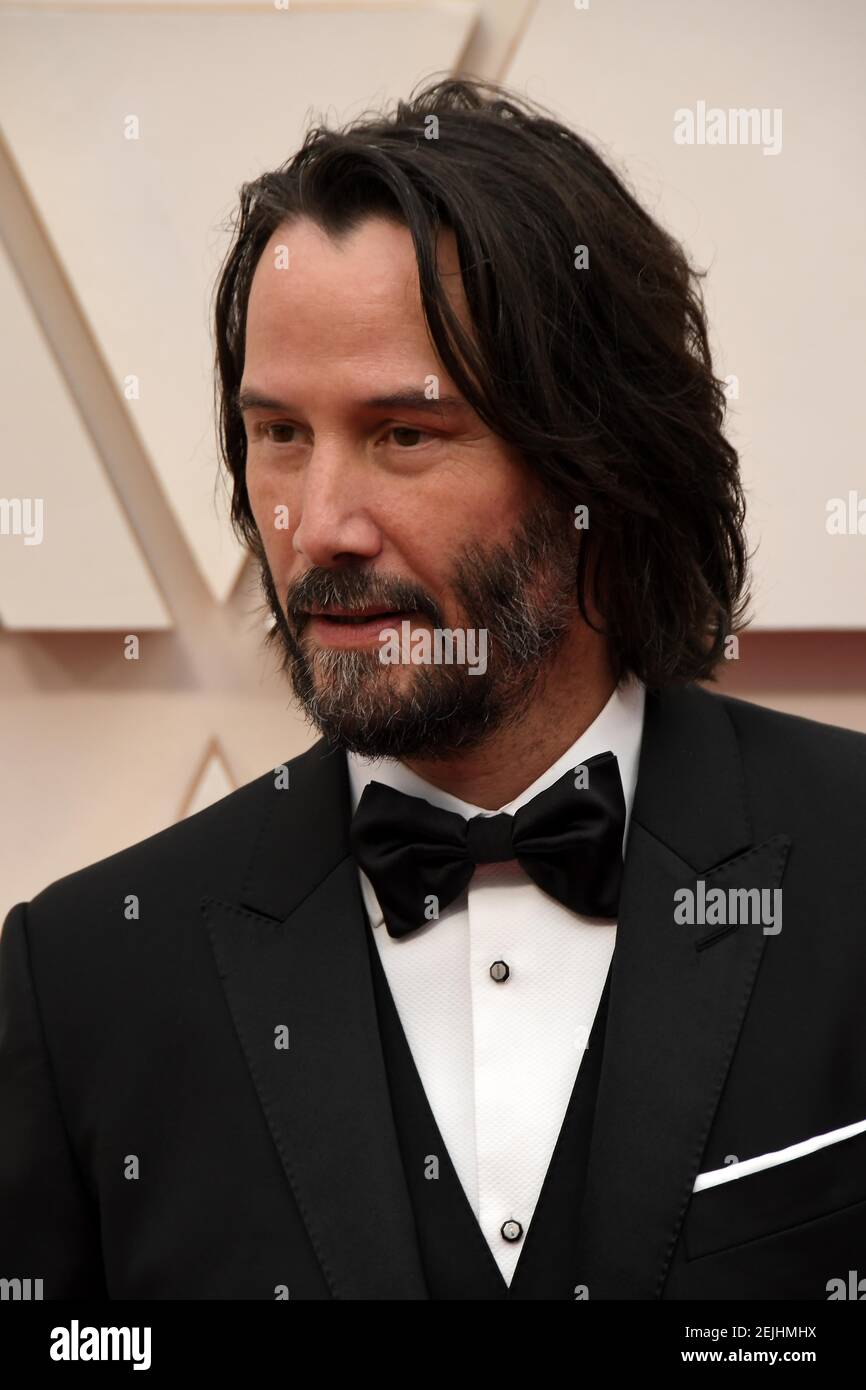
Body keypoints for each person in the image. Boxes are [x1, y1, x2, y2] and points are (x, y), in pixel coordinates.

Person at [1, 77, 864, 1301]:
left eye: (404, 434)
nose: (319, 526)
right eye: (279, 435)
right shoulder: (87, 978)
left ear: (598, 465)